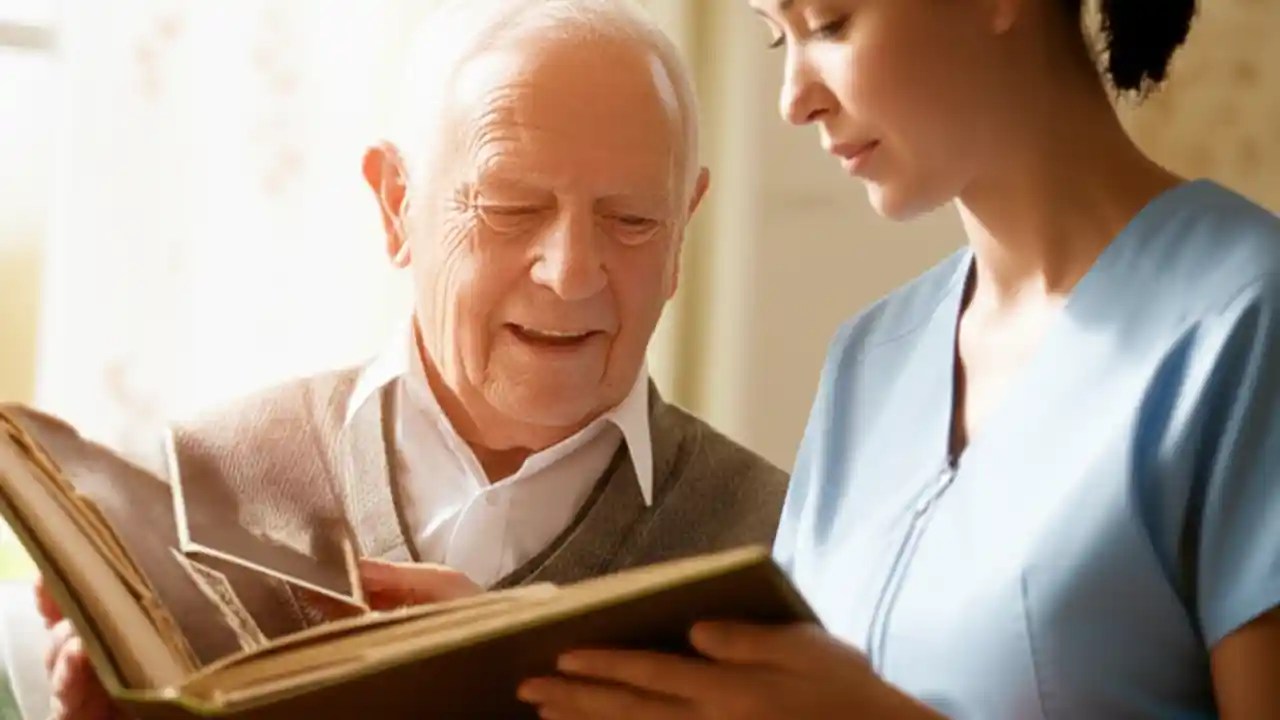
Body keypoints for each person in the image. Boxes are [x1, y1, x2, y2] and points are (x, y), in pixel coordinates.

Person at [515, 0, 1280, 718]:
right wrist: (516, 645)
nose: (794, 100)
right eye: (780, 37)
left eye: (831, 23)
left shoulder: (1246, 320)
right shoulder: (870, 364)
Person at [29, 2, 787, 718]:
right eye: (511, 207)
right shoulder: (187, 491)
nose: (569, 271)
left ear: (684, 227)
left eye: (631, 220)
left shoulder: (789, 541)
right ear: (397, 205)